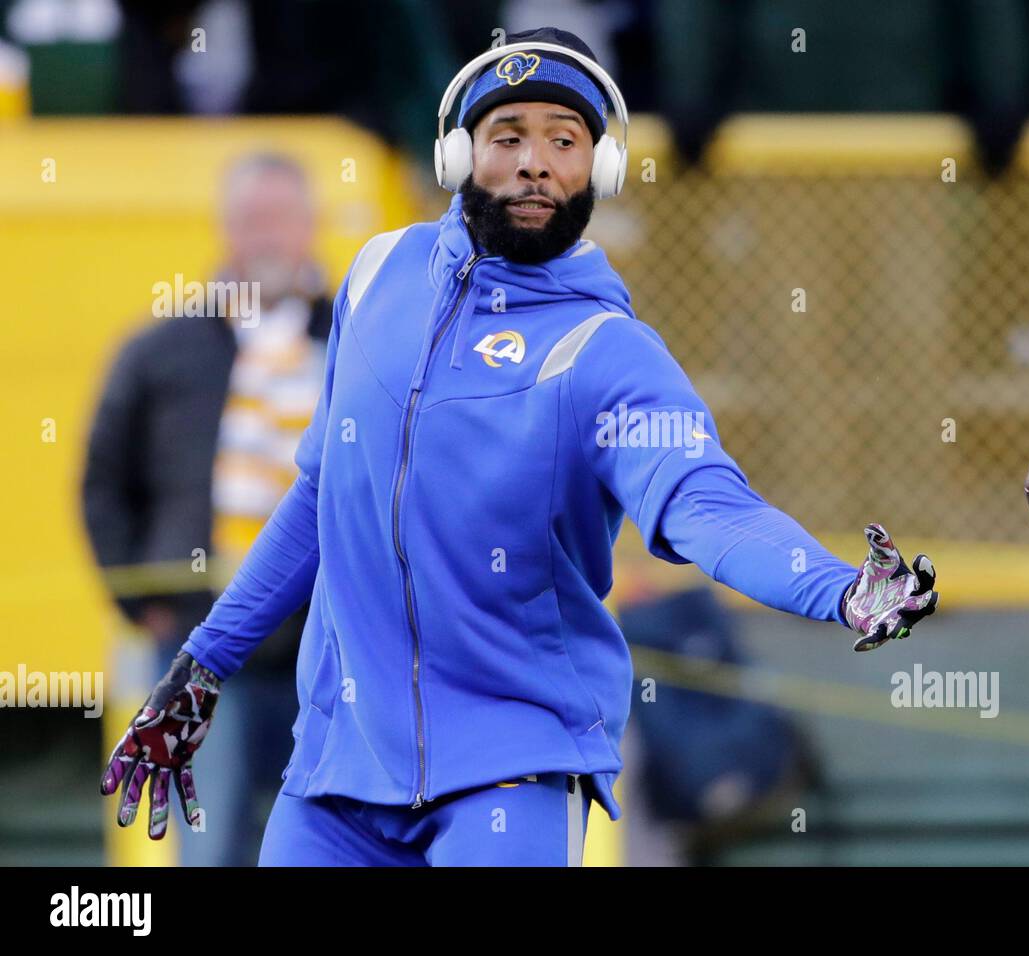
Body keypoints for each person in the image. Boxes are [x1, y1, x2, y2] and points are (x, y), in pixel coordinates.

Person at [99, 27, 939, 867]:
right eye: (508, 137)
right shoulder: (377, 272)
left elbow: (704, 504)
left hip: (510, 770)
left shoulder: (607, 351)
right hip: (335, 772)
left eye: (564, 140)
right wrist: (202, 667)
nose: (536, 161)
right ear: (460, 155)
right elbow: (322, 496)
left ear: (599, 170)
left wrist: (836, 588)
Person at [84, 152, 330, 865]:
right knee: (209, 837)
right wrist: (142, 599)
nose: (268, 238)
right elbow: (102, 481)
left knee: (326, 835)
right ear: (226, 229)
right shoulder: (163, 347)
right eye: (253, 220)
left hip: (324, 645)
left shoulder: (354, 339)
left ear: (310, 228)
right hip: (200, 644)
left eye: (282, 220)